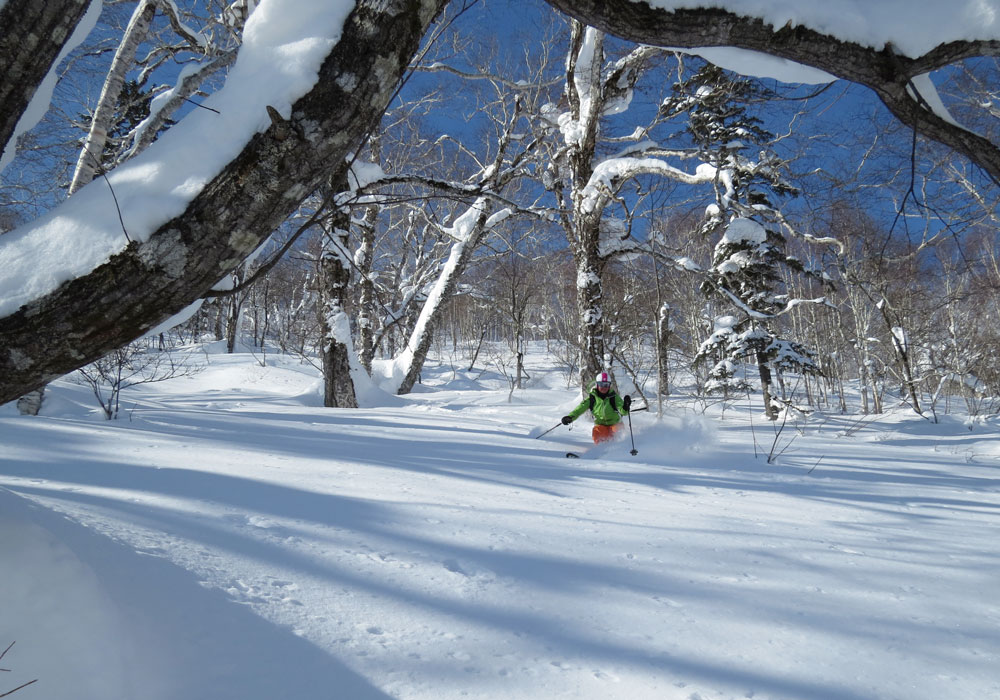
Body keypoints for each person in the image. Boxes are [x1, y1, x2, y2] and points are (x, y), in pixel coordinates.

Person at [562, 371, 631, 444]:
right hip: (600, 425)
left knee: (617, 433)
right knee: (597, 433)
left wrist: (626, 406)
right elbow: (580, 409)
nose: (604, 387)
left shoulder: (614, 397)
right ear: (597, 385)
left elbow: (624, 412)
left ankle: (620, 450)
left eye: (606, 385)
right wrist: (570, 417)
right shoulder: (592, 398)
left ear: (609, 385)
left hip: (615, 424)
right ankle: (600, 452)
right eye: (601, 384)